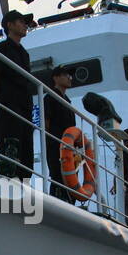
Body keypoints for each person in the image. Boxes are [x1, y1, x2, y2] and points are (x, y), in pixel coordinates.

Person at [0, 10, 36, 178]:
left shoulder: (24, 53)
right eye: (21, 21)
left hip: (25, 108)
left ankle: (24, 193)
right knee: (11, 153)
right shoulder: (2, 48)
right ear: (9, 25)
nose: (25, 25)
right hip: (9, 106)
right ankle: (11, 192)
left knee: (26, 157)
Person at [43, 65, 77, 201]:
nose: (70, 77)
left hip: (69, 148)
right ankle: (56, 204)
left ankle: (69, 204)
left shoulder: (68, 102)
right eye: (66, 74)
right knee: (57, 177)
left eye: (71, 75)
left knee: (70, 179)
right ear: (55, 78)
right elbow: (46, 123)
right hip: (56, 145)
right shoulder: (50, 97)